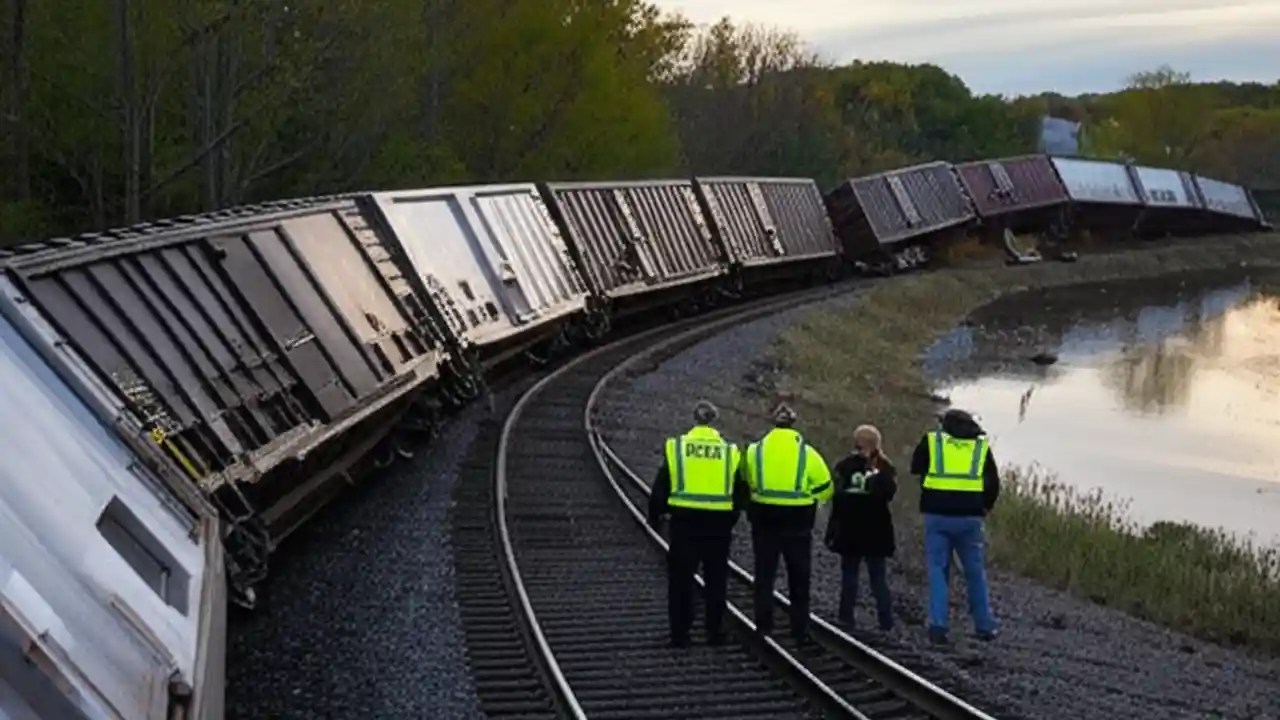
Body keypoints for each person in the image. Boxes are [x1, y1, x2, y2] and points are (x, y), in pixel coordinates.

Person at [648, 399, 746, 648]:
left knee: (681, 582)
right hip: (718, 527)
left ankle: (680, 634)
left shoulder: (677, 447)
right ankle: (714, 633)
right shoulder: (729, 452)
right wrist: (731, 517)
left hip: (684, 524)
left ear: (694, 419)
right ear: (714, 420)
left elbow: (661, 487)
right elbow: (740, 493)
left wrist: (656, 515)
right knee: (716, 582)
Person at [741, 403, 833, 644]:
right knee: (799, 577)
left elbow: (745, 480)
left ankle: (763, 625)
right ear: (794, 424)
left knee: (764, 575)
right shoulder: (808, 453)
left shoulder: (754, 451)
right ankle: (799, 629)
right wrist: (810, 498)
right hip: (798, 522)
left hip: (764, 519)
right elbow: (825, 488)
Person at [911, 408, 1001, 645]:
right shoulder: (981, 447)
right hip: (970, 517)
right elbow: (993, 483)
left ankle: (938, 625)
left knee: (938, 570)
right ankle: (984, 625)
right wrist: (984, 508)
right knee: (974, 572)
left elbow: (916, 468)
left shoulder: (931, 441)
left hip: (937, 514)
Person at [823, 424, 897, 632]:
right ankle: (886, 621)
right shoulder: (885, 468)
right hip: (877, 530)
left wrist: (832, 529)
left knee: (849, 575)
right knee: (878, 578)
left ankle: (846, 618)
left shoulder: (843, 466)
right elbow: (889, 494)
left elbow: (836, 497)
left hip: (849, 529)